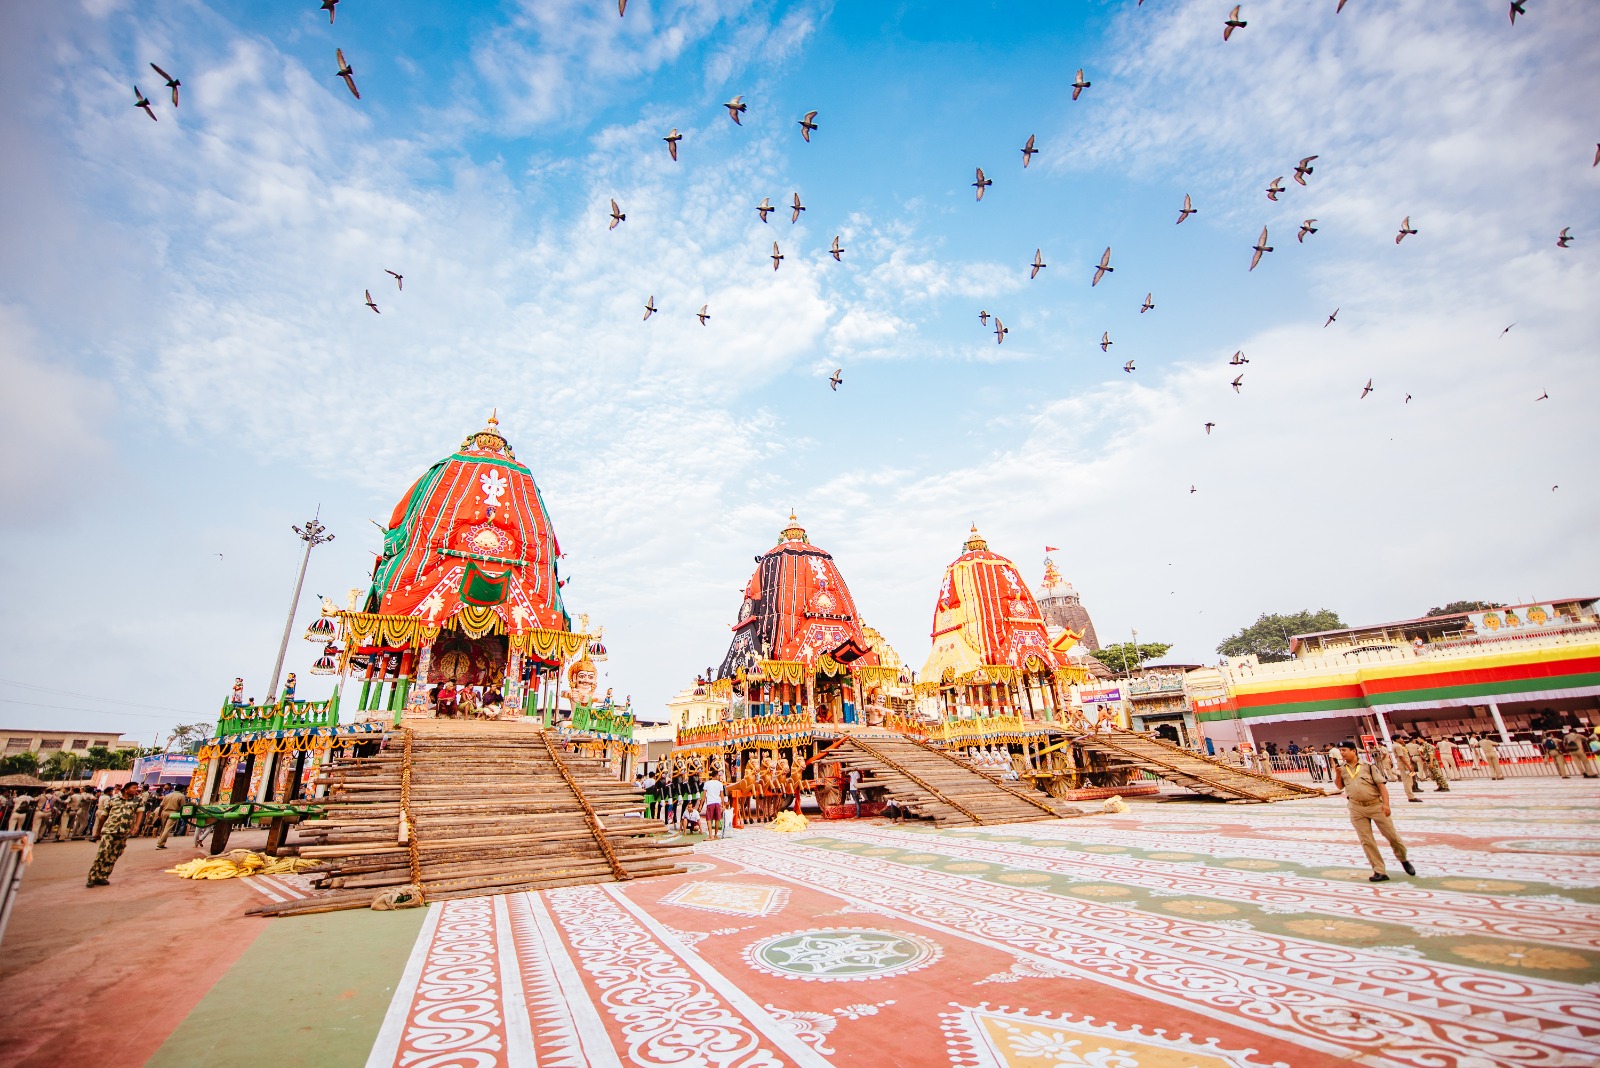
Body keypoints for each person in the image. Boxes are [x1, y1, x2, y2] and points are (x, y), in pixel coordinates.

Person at [1331, 740, 1415, 883]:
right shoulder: (1342, 768)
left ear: (1353, 751)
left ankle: (1403, 858)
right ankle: (1379, 870)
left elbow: (1381, 786)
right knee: (1367, 840)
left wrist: (1386, 805)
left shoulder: (1368, 767)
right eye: (1341, 751)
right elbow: (1339, 787)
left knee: (1392, 836)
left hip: (1376, 806)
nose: (1342, 753)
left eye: (1344, 750)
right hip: (1356, 808)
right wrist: (1338, 774)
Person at [87, 783, 143, 887]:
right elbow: (104, 816)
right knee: (103, 852)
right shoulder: (113, 799)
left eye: (137, 788)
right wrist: (98, 832)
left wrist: (137, 826)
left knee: (114, 854)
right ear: (126, 789)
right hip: (110, 829)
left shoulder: (137, 800)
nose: (136, 790)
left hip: (123, 831)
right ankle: (93, 877)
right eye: (134, 788)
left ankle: (103, 876)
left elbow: (140, 813)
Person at [701, 769, 725, 841]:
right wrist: (722, 805)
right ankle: (715, 835)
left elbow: (704, 795)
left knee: (709, 819)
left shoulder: (707, 783)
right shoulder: (720, 784)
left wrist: (700, 805)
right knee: (717, 819)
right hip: (717, 802)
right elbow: (722, 795)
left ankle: (710, 835)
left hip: (710, 802)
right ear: (716, 775)